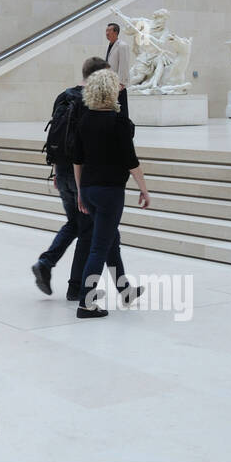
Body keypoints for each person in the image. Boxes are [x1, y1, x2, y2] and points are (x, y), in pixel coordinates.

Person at [32, 57, 127, 301]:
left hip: (62, 172)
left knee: (77, 224)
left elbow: (57, 135)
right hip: (83, 175)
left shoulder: (63, 96)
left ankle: (47, 262)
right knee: (88, 232)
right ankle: (77, 288)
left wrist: (55, 171)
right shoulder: (92, 100)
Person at [72, 69, 151, 319]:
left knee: (110, 242)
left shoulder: (84, 119)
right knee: (99, 247)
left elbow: (77, 160)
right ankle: (86, 302)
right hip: (110, 193)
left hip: (90, 189)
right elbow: (131, 161)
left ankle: (124, 290)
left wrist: (80, 192)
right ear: (110, 91)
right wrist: (144, 189)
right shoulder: (119, 123)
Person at [104, 22, 130, 117]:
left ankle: (123, 131)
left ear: (115, 32)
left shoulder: (122, 45)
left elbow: (124, 64)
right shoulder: (110, 46)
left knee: (121, 112)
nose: (106, 33)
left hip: (118, 86)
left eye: (109, 31)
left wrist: (121, 83)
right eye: (106, 31)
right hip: (109, 84)